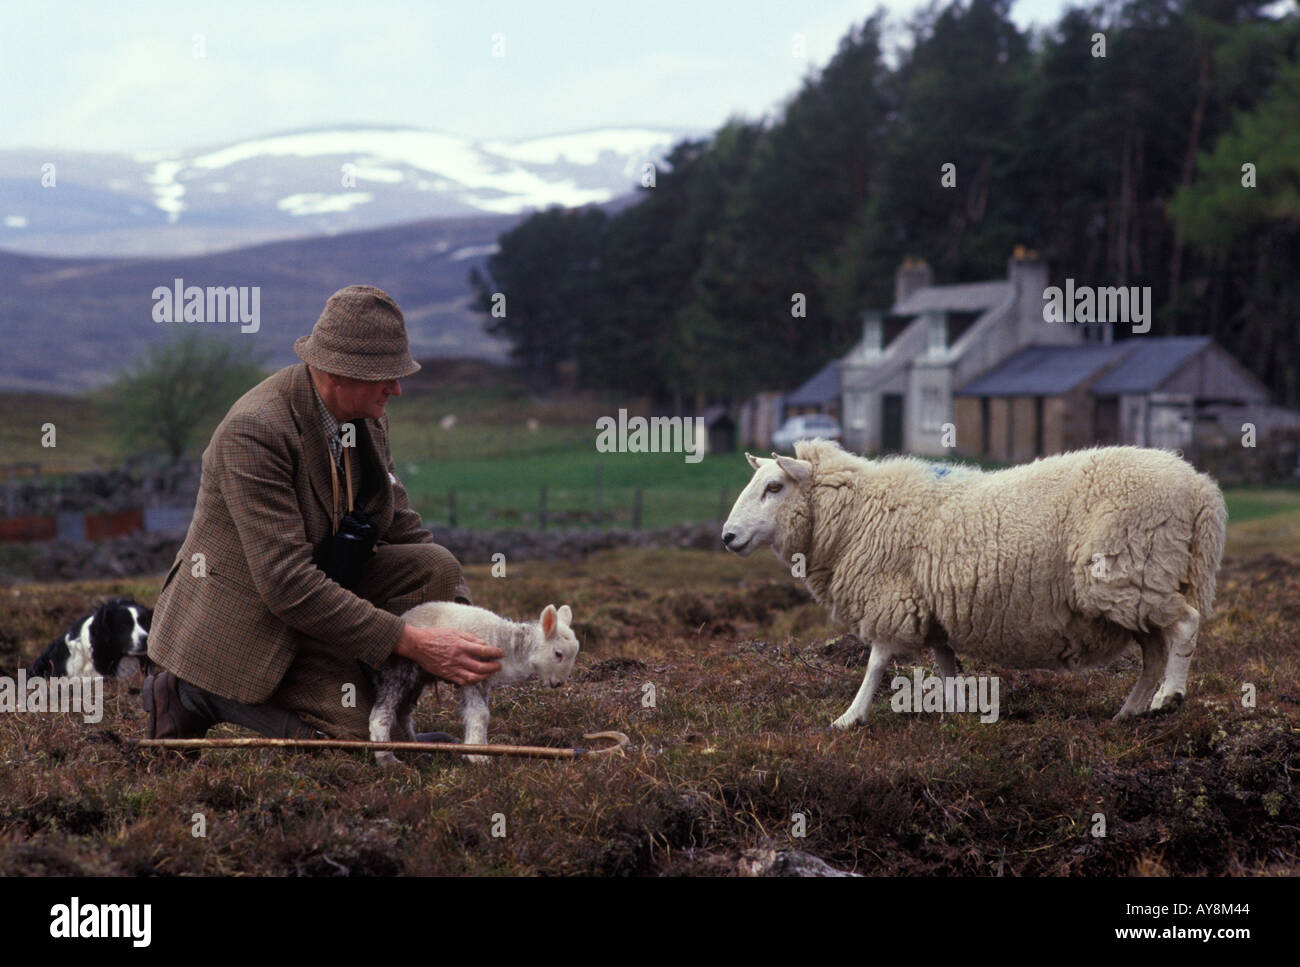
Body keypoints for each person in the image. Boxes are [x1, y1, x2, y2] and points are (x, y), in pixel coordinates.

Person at [143, 284, 503, 742]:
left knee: (435, 568)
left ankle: (365, 698)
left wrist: (465, 622)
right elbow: (286, 583)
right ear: (337, 374)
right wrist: (415, 643)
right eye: (384, 377)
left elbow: (402, 526)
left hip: (321, 602)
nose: (397, 389)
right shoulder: (255, 431)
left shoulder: (365, 414)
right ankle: (190, 693)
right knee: (360, 745)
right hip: (250, 625)